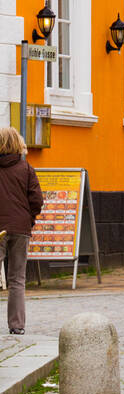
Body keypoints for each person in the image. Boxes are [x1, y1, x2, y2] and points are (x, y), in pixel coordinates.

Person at [0, 127, 43, 334]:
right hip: (20, 227)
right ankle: (16, 326)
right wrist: (29, 218)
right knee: (17, 278)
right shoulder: (26, 168)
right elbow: (37, 200)